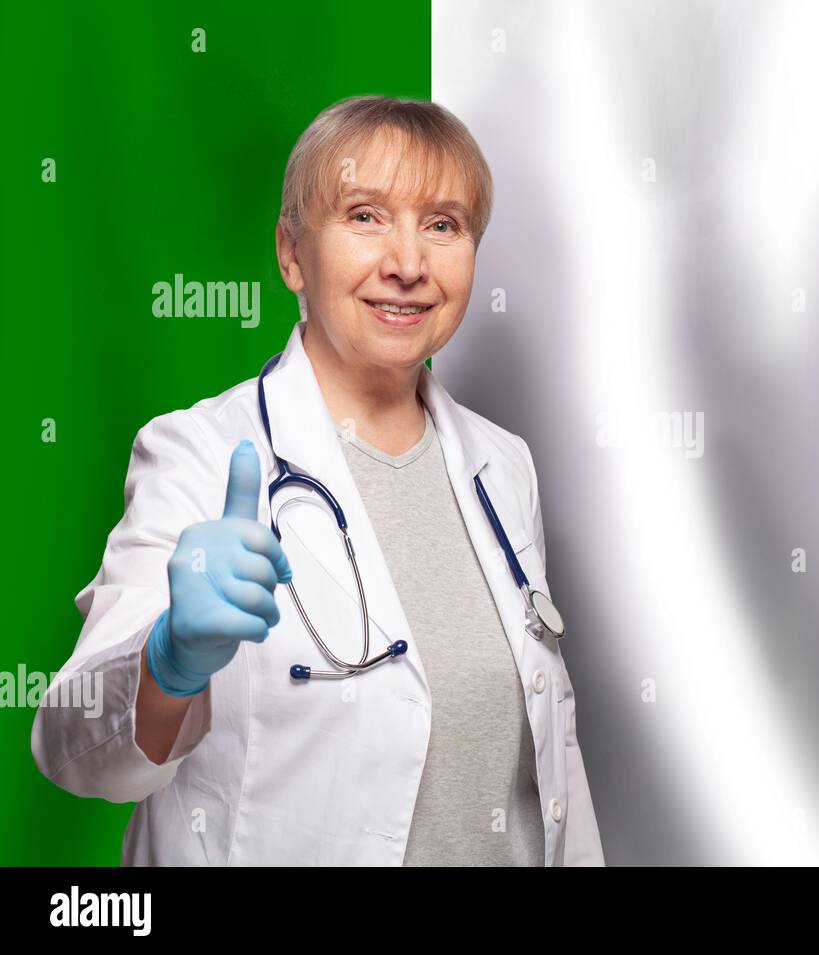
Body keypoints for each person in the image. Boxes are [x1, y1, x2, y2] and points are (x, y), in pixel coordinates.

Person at [30, 95, 605, 866]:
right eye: (365, 216)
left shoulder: (503, 466)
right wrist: (165, 663)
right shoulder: (198, 453)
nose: (408, 263)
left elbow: (551, 765)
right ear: (292, 253)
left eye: (444, 225)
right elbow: (71, 744)